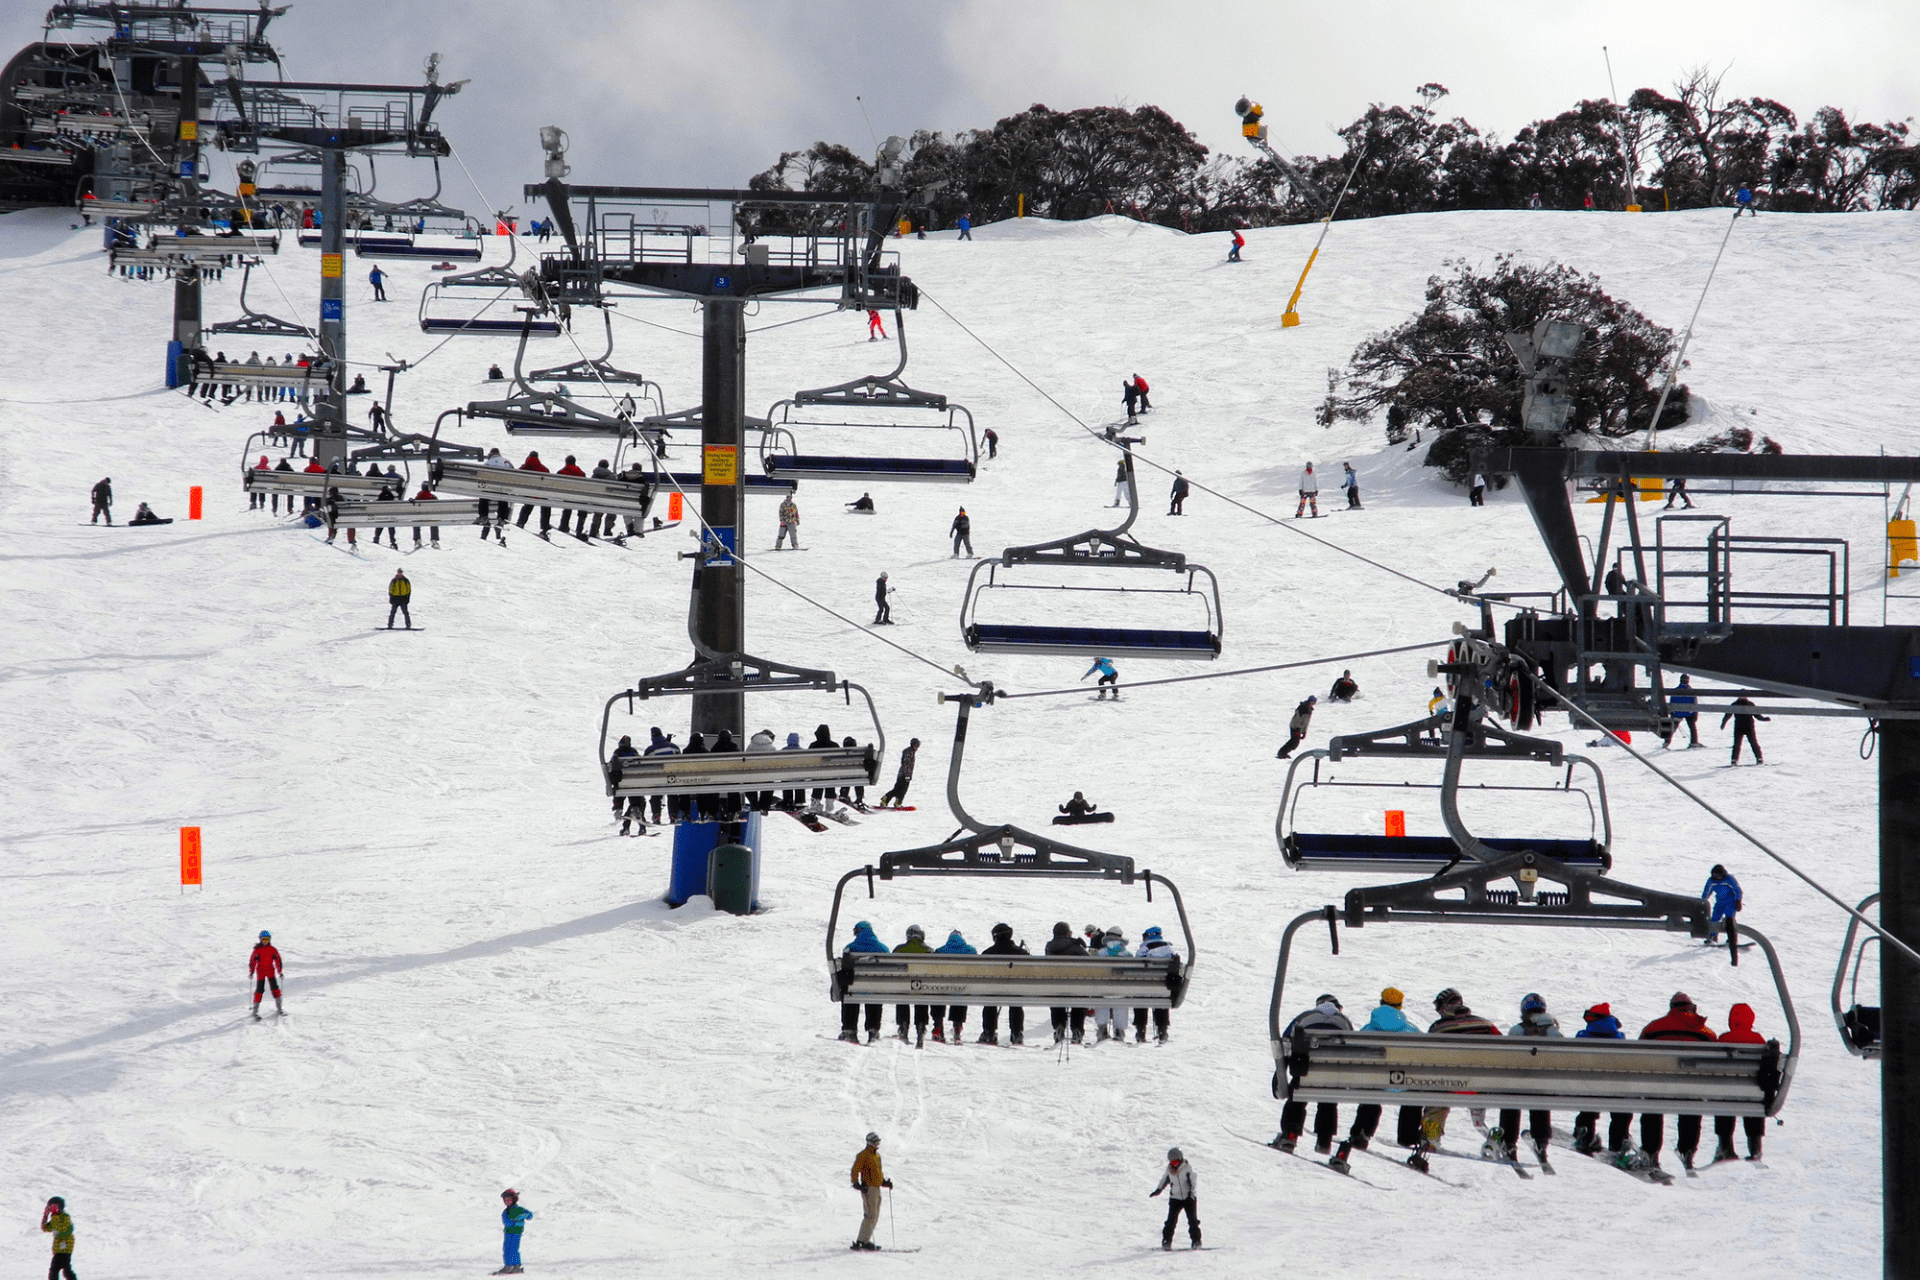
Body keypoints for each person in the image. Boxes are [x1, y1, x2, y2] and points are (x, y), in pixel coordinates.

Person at [1638, 993, 1718, 1170]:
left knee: (1652, 1105)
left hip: (1659, 1086)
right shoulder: (1705, 1033)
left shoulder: (1654, 1028)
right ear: (1692, 1008)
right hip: (1690, 1088)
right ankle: (1687, 1150)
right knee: (1692, 1100)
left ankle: (1651, 1152)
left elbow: (1639, 1056)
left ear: (1671, 1008)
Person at [1419, 988, 1500, 1146]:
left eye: (1438, 1007)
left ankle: (1431, 1136)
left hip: (1450, 1085)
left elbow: (1428, 1058)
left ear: (1444, 1007)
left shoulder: (1438, 1028)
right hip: (1484, 1086)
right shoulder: (1485, 1024)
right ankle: (1499, 1137)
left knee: (1437, 1093)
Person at [1273, 994, 1351, 1152]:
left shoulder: (1305, 1017)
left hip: (1305, 1071)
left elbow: (1285, 1042)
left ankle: (1290, 1135)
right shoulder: (1344, 1021)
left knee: (1297, 1097)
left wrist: (1279, 1076)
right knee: (1329, 1099)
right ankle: (1324, 1141)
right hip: (1333, 1074)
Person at [1347, 988, 1424, 1149]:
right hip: (1403, 1082)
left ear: (1381, 1002)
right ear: (1400, 1006)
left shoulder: (1368, 1029)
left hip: (1374, 1082)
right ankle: (1408, 1136)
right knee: (1413, 1092)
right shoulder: (1411, 1030)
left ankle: (1362, 1131)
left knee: (1371, 1087)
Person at [1497, 994, 1563, 1163]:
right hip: (1543, 1084)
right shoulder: (1553, 1031)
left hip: (1517, 1083)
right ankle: (1541, 1142)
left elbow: (1506, 1058)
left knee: (1510, 1100)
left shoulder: (1516, 1030)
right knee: (1540, 1097)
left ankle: (1509, 1143)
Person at [1571, 1002, 1636, 1155]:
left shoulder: (1582, 1036)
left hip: (1589, 1087)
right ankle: (1618, 1144)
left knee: (1589, 1100)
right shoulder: (1620, 1038)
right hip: (1616, 1088)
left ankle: (1584, 1133)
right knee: (1621, 1111)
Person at [1714, 1004, 1768, 1162]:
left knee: (1724, 1099)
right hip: (1753, 1090)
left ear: (1731, 1020)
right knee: (1753, 1101)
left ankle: (1726, 1147)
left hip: (1726, 1091)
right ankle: (1755, 1148)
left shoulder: (1724, 1039)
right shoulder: (1758, 1040)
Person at [838, 922, 890, 1043]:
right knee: (874, 993)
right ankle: (873, 1030)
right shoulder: (883, 948)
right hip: (875, 988)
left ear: (858, 932)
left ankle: (849, 1030)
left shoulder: (850, 948)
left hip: (854, 988)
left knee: (850, 993)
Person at [979, 923, 1028, 1045]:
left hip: (993, 990)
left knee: (990, 1001)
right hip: (1015, 989)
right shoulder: (1021, 953)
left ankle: (989, 1032)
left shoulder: (987, 953)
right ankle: (1017, 1033)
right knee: (1016, 1002)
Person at [890, 925, 936, 1046]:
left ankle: (903, 1027)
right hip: (922, 985)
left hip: (903, 986)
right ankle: (921, 1028)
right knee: (922, 995)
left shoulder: (899, 949)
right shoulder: (929, 950)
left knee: (902, 993)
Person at [1131, 925, 1178, 1044]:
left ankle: (1141, 1031)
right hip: (1163, 986)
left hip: (1144, 987)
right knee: (1161, 997)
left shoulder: (1144, 949)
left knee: (1140, 997)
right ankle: (1162, 1031)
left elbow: (1137, 968)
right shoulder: (1170, 949)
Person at [1044, 922, 1090, 1044]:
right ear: (1067, 933)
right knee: (1080, 997)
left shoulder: (1050, 947)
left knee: (1056, 996)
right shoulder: (1076, 945)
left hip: (1056, 987)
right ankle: (1077, 1029)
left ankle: (1059, 1026)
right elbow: (1090, 961)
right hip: (1075, 987)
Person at [1149, 1147, 1201, 1251]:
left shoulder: (1186, 1168)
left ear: (1180, 1159)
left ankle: (1196, 1241)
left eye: (1175, 1161)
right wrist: (1158, 1190)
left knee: (1193, 1221)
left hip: (1189, 1198)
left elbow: (1193, 1181)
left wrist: (1191, 1192)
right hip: (1175, 1198)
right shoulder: (1169, 1170)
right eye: (1171, 1162)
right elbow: (1164, 1179)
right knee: (1171, 1221)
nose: (1173, 1164)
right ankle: (1166, 1241)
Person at [848, 1133, 892, 1251]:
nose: (878, 1145)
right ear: (870, 1142)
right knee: (870, 1215)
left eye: (878, 1142)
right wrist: (856, 1183)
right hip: (869, 1188)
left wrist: (884, 1182)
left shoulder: (877, 1156)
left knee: (875, 1215)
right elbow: (855, 1170)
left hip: (876, 1188)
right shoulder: (863, 1155)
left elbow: (878, 1172)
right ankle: (860, 1241)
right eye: (876, 1142)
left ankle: (865, 1241)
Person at [932, 929, 975, 1041]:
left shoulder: (940, 951)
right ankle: (957, 1027)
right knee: (960, 991)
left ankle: (938, 1027)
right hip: (962, 988)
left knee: (938, 992)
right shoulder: (971, 950)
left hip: (943, 988)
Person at [1092, 926, 1131, 1043]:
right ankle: (1119, 1030)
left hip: (1103, 990)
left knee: (1101, 994)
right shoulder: (1127, 954)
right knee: (1121, 997)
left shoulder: (1101, 953)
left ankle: (1102, 1029)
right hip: (1121, 991)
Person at [1701, 864, 1743, 947]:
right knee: (1714, 918)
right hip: (1719, 902)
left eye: (1719, 875)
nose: (1718, 877)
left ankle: (1731, 938)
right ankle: (1712, 936)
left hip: (1730, 902)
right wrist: (1703, 901)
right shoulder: (1711, 881)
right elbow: (1706, 891)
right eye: (1715, 875)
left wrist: (1738, 901)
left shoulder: (1729, 879)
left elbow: (1737, 890)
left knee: (1729, 920)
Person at [514, 451, 552, 536]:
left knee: (528, 504)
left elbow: (516, 477)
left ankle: (521, 522)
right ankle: (545, 526)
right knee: (546, 506)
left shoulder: (524, 467)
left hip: (528, 493)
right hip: (541, 494)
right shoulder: (543, 468)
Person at [1721, 696, 1768, 765]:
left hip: (1749, 727)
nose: (1743, 697)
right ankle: (1734, 760)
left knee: (1753, 742)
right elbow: (1728, 715)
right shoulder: (1735, 704)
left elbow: (1757, 715)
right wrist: (1723, 723)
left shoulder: (1750, 704)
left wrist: (1764, 719)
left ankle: (1759, 758)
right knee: (1737, 744)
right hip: (1738, 727)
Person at [495, 1189, 532, 1275]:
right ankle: (509, 1265)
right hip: (509, 1233)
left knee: (514, 1249)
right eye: (505, 1200)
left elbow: (530, 1215)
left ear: (514, 1199)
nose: (507, 1202)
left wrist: (523, 1216)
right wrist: (515, 1221)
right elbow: (507, 1222)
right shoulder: (506, 1212)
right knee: (507, 1249)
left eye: (509, 1199)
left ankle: (515, 1266)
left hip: (517, 1233)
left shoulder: (520, 1209)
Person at [481, 447, 514, 543]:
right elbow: (513, 472)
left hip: (489, 488)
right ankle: (501, 519)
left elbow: (481, 474)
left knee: (483, 498)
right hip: (502, 488)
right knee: (503, 500)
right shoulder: (506, 462)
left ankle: (483, 516)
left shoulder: (488, 463)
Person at [250, 929, 283, 1018]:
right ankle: (255, 1011)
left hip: (270, 971)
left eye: (267, 939)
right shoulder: (257, 950)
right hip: (261, 972)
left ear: (269, 939)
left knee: (275, 989)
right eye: (263, 939)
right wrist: (251, 972)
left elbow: (278, 960)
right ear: (260, 939)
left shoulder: (272, 950)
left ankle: (279, 1008)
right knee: (259, 990)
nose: (265, 941)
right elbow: (252, 961)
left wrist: (280, 972)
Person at [554, 455, 589, 539]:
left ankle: (564, 525)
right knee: (583, 507)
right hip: (579, 497)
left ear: (566, 462)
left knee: (568, 505)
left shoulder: (562, 471)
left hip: (566, 496)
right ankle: (579, 529)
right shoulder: (581, 473)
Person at [42, 1196, 76, 1280]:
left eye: (55, 1207)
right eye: (50, 1207)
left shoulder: (65, 1217)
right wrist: (45, 1217)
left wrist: (54, 1216)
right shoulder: (55, 1219)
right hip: (58, 1249)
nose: (53, 1210)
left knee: (62, 1269)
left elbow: (62, 1228)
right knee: (58, 1269)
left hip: (65, 1248)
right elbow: (45, 1228)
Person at [1664, 673, 1701, 748]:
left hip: (1677, 713)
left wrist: (1672, 712)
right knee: (1692, 727)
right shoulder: (1691, 691)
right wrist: (1695, 713)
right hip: (1688, 713)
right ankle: (1694, 742)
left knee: (1672, 727)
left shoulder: (1675, 690)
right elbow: (1694, 703)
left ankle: (1666, 741)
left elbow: (1672, 702)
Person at [879, 738, 917, 808]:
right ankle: (894, 801)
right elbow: (907, 764)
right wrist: (907, 775)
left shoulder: (910, 751)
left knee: (899, 788)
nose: (917, 747)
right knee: (902, 789)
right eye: (917, 745)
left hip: (903, 773)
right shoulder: (909, 752)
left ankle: (889, 800)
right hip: (905, 774)